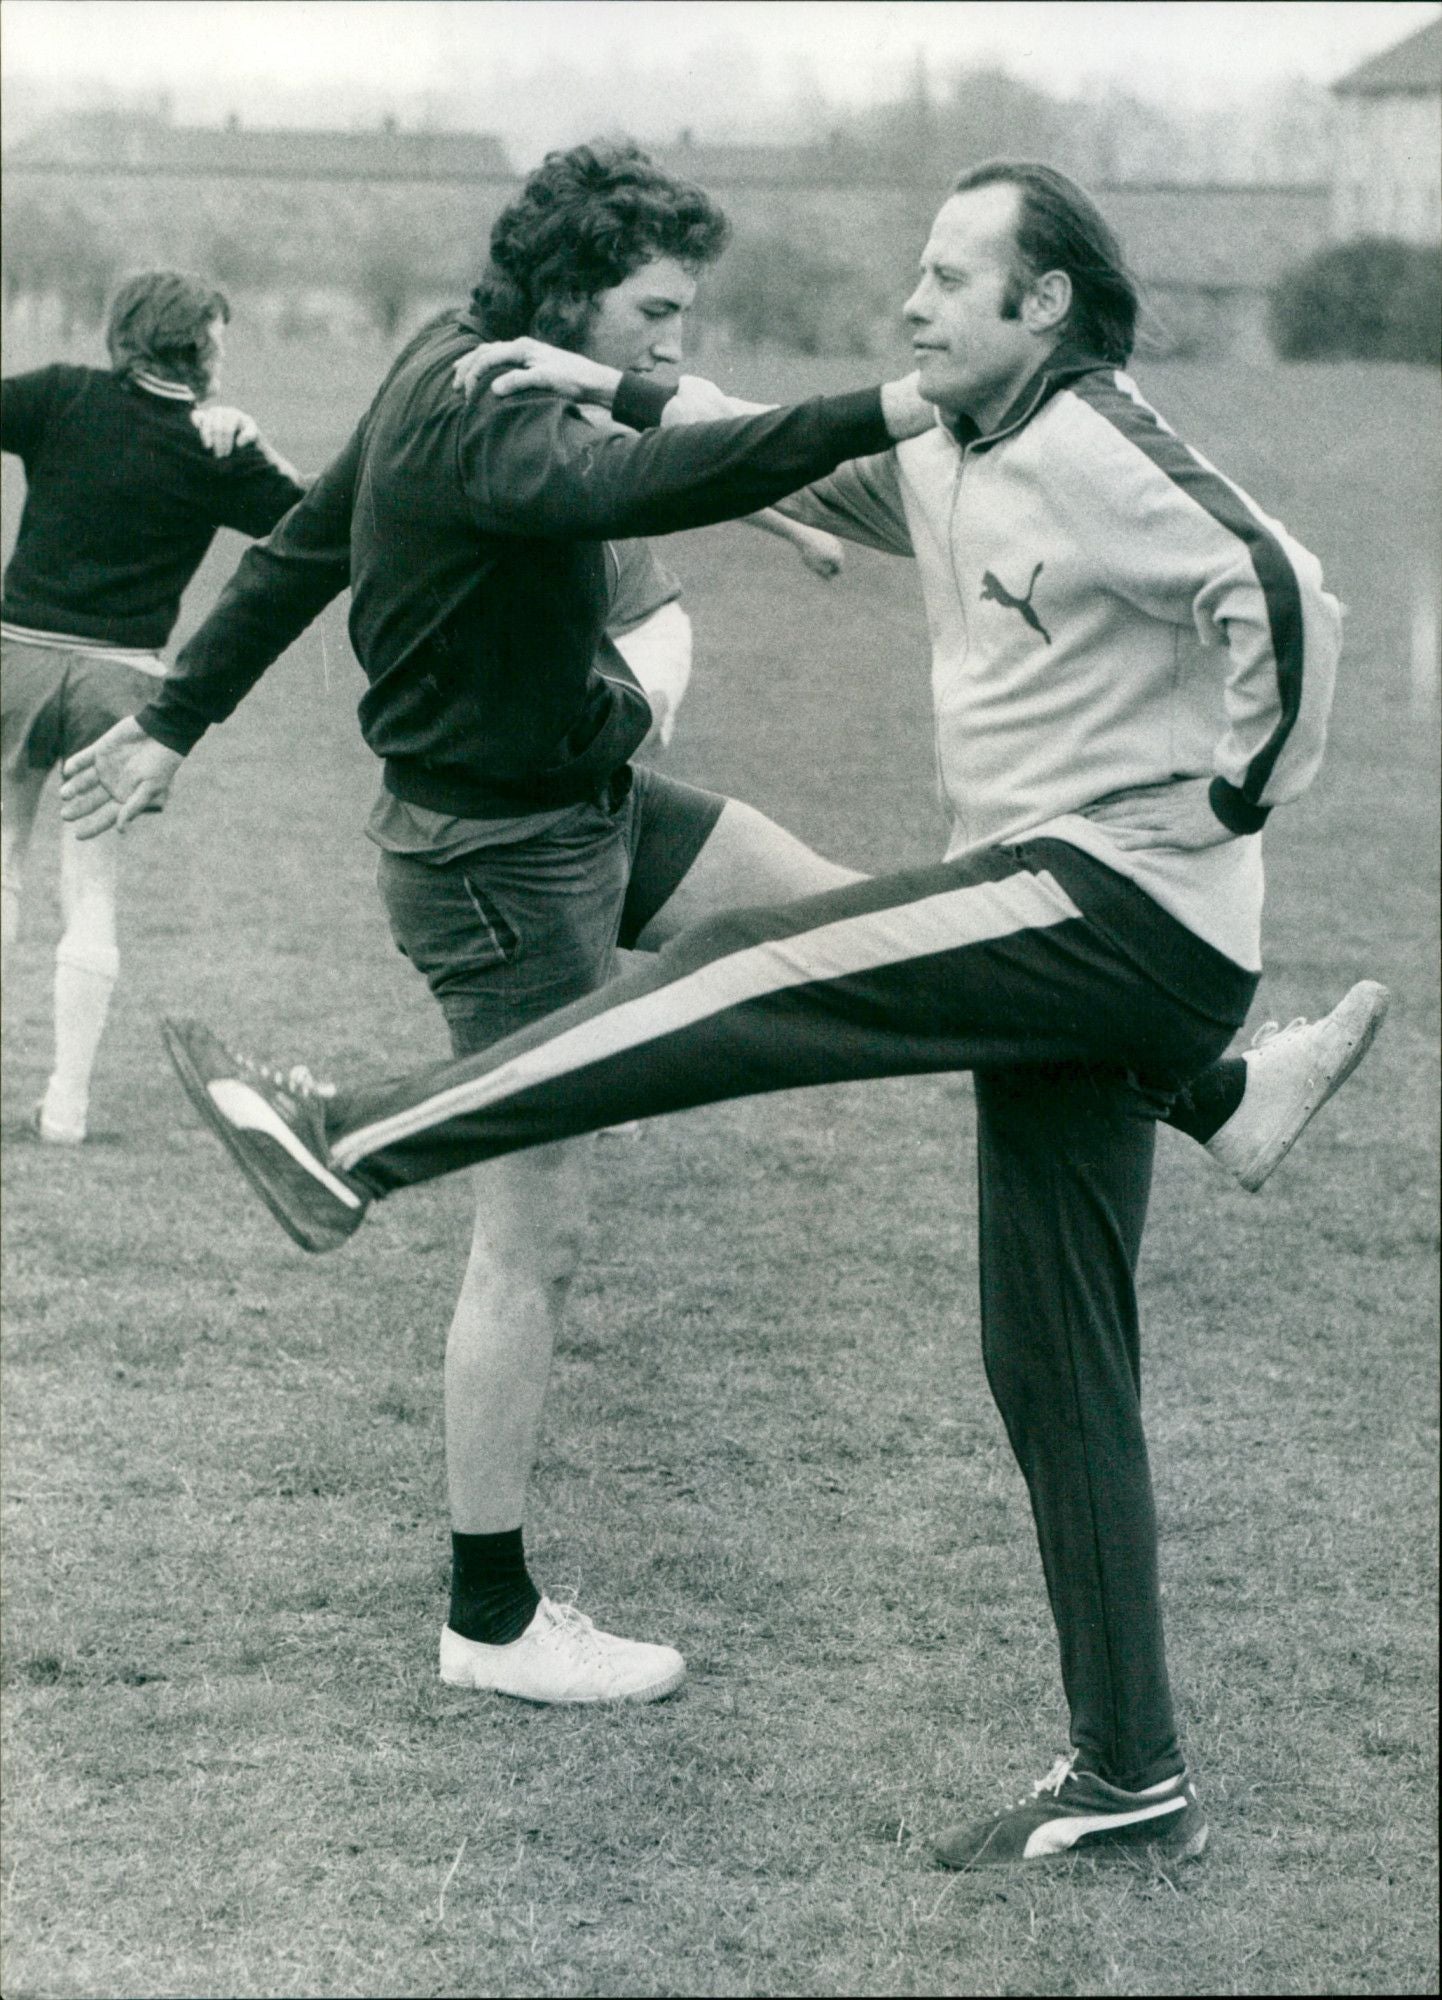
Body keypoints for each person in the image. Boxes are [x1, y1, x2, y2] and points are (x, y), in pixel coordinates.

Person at [67, 160, 1388, 1868]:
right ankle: (1130, 1768)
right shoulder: (948, 445)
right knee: (1052, 1358)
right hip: (1035, 913)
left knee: (750, 966)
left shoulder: (1088, 434)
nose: (908, 305)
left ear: (1040, 303)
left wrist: (1226, 807)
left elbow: (1286, 592)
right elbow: (771, 445)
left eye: (945, 276)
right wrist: (630, 395)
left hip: (1111, 904)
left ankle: (354, 1142)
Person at [59, 142, 944, 1713]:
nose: (672, 340)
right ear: (573, 290)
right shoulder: (494, 421)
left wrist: (174, 723)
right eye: (657, 311)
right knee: (532, 1230)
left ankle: (1198, 1076)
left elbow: (296, 549)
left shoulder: (450, 363)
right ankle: (488, 1618)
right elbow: (646, 479)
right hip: (499, 862)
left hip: (586, 803)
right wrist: (894, 404)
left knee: (876, 927)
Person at [1, 268, 305, 1142]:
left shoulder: (60, 395)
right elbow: (323, 529)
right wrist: (258, 442)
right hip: (120, 681)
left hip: (13, 658)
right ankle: (68, 1104)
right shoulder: (216, 446)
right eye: (221, 336)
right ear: (198, 344)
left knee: (2, 863)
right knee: (88, 890)